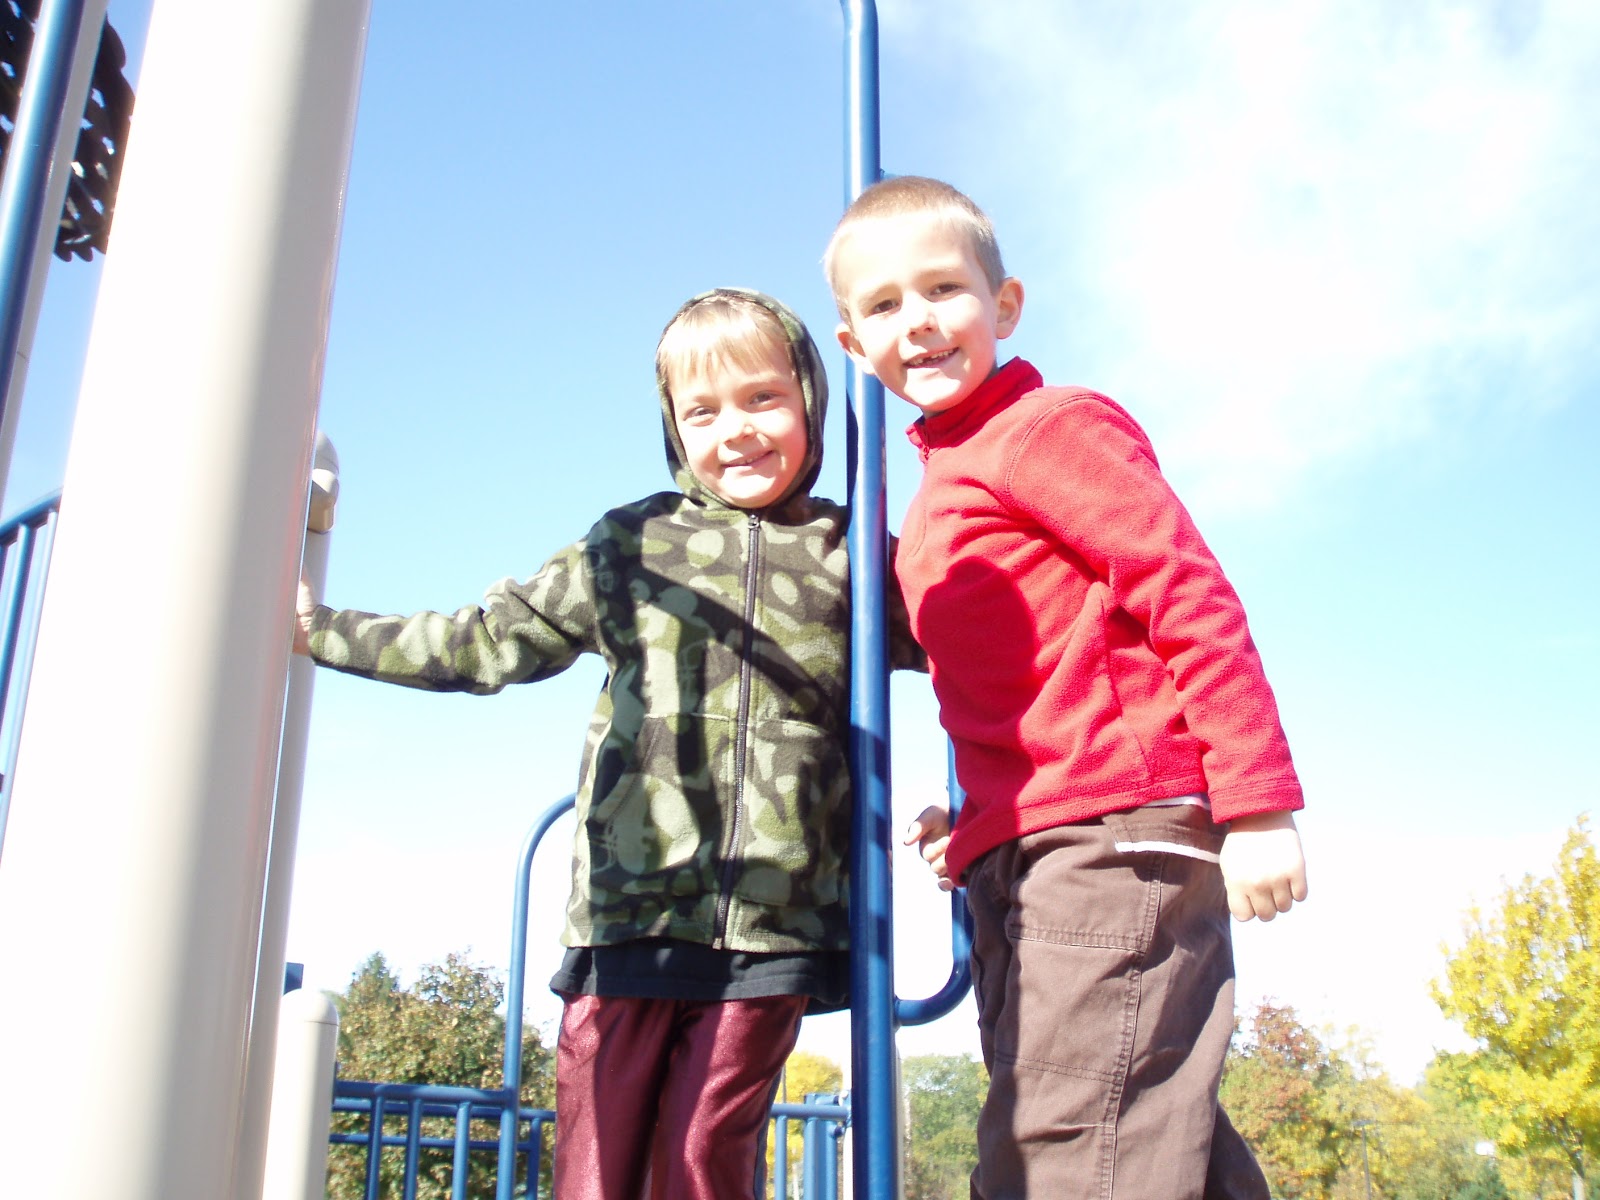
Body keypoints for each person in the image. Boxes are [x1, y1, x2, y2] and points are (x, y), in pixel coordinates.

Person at [296, 288, 918, 1200]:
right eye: (702, 411)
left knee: (705, 1164)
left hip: (773, 923)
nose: (736, 430)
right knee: (595, 1166)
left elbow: (975, 644)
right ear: (673, 427)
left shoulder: (849, 552)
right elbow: (484, 639)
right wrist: (324, 631)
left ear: (811, 402)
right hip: (630, 917)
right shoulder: (633, 544)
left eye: (762, 399)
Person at [824, 175, 1309, 1199]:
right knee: (1139, 1128)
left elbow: (1185, 590)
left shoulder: (1046, 430)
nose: (916, 323)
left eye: (942, 290)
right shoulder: (934, 496)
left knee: (1061, 1149)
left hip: (1113, 829)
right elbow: (1001, 678)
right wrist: (974, 816)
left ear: (1002, 306)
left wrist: (1257, 799)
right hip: (1029, 844)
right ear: (852, 345)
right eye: (882, 306)